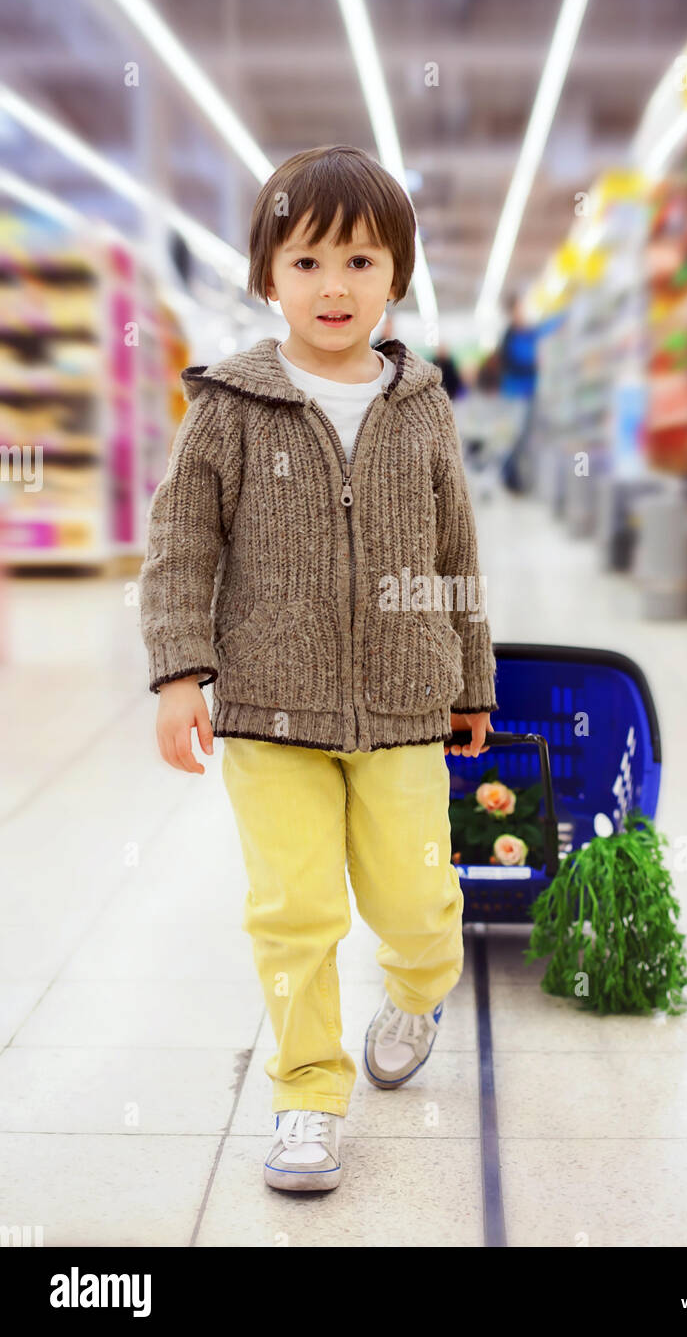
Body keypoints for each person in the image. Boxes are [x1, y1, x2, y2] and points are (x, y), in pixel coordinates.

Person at [137, 144, 498, 1193]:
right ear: (265, 278)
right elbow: (179, 548)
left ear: (397, 276)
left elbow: (455, 553)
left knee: (419, 906)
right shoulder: (229, 407)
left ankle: (418, 990)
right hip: (269, 712)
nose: (331, 286)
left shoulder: (421, 405)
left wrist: (469, 679)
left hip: (402, 704)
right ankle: (305, 1095)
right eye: (304, 262)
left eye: (358, 261)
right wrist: (176, 673)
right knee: (292, 911)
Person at [497, 290, 567, 493]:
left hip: (529, 393)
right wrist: (534, 365)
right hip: (516, 394)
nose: (523, 312)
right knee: (517, 435)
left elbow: (543, 329)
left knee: (524, 436)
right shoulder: (509, 337)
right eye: (520, 309)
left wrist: (563, 316)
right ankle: (509, 476)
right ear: (512, 312)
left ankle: (514, 476)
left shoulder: (527, 332)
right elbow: (514, 363)